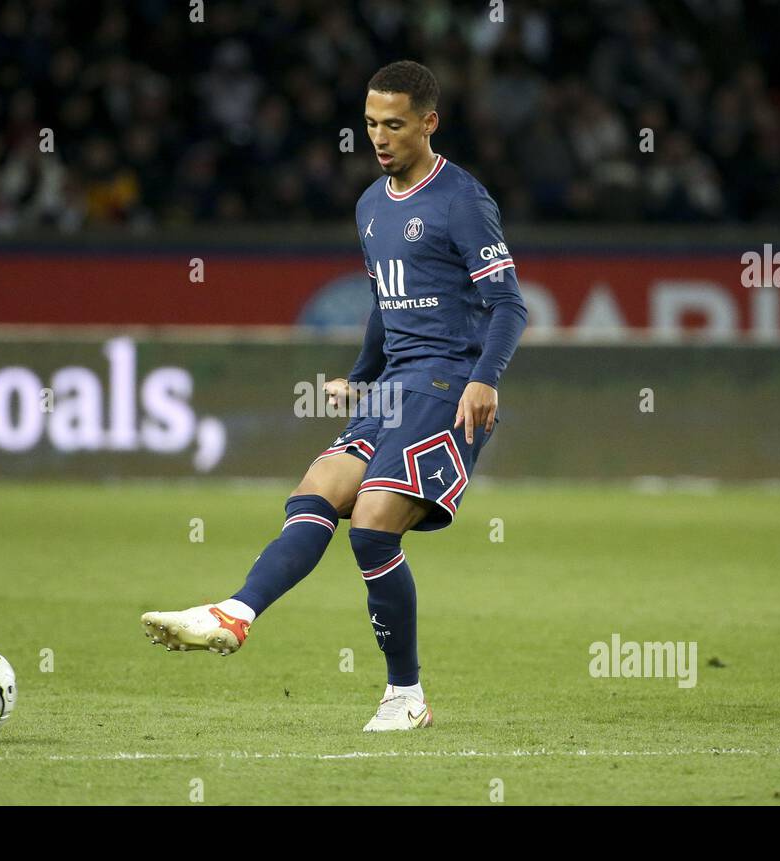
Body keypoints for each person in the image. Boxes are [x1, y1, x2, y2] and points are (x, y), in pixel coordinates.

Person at [140, 60, 528, 731]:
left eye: (395, 125)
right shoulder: (371, 204)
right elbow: (386, 300)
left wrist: (485, 378)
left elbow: (508, 305)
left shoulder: (462, 200)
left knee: (374, 521)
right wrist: (359, 374)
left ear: (429, 123)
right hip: (393, 387)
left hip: (446, 384)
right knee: (319, 487)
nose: (380, 137)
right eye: (372, 124)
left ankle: (405, 696)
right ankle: (236, 613)